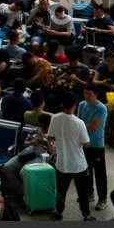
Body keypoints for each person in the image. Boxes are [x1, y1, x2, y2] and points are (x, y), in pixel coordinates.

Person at [45, 93, 93, 221]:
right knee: (82, 192)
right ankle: (86, 214)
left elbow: (50, 138)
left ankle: (59, 212)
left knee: (61, 191)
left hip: (62, 163)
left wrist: (54, 150)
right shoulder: (79, 123)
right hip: (79, 165)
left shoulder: (55, 118)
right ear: (75, 105)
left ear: (62, 104)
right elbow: (86, 144)